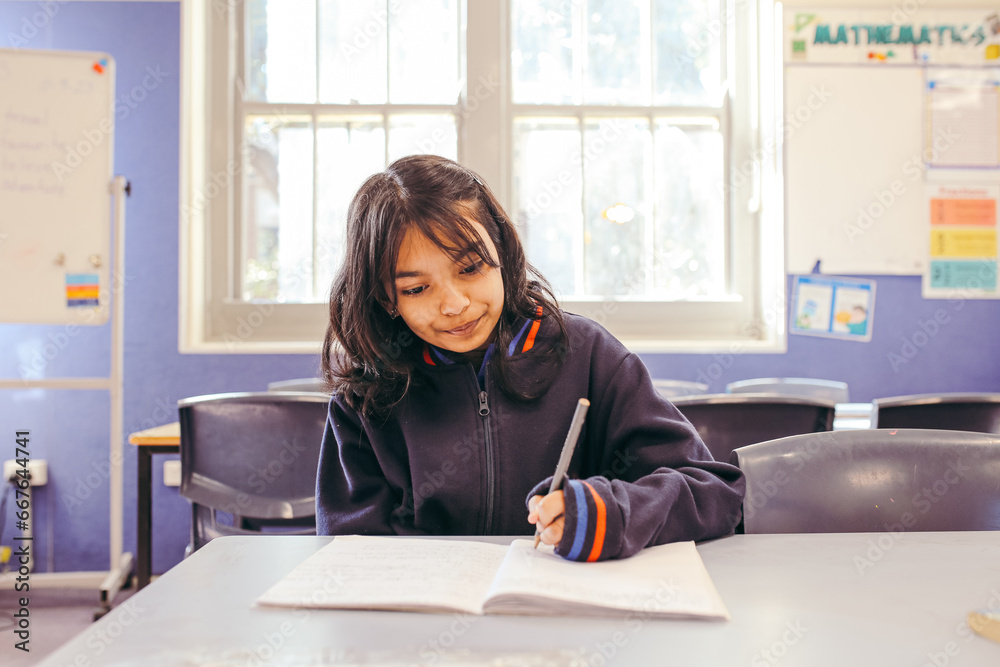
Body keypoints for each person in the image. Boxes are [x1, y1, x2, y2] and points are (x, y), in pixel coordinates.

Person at [317, 154, 745, 561]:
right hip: (426, 629)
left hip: (570, 617)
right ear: (386, 297)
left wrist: (608, 513)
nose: (454, 304)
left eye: (470, 268)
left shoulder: (588, 354)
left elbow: (713, 491)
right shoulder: (364, 401)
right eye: (415, 289)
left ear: (501, 251)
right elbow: (349, 555)